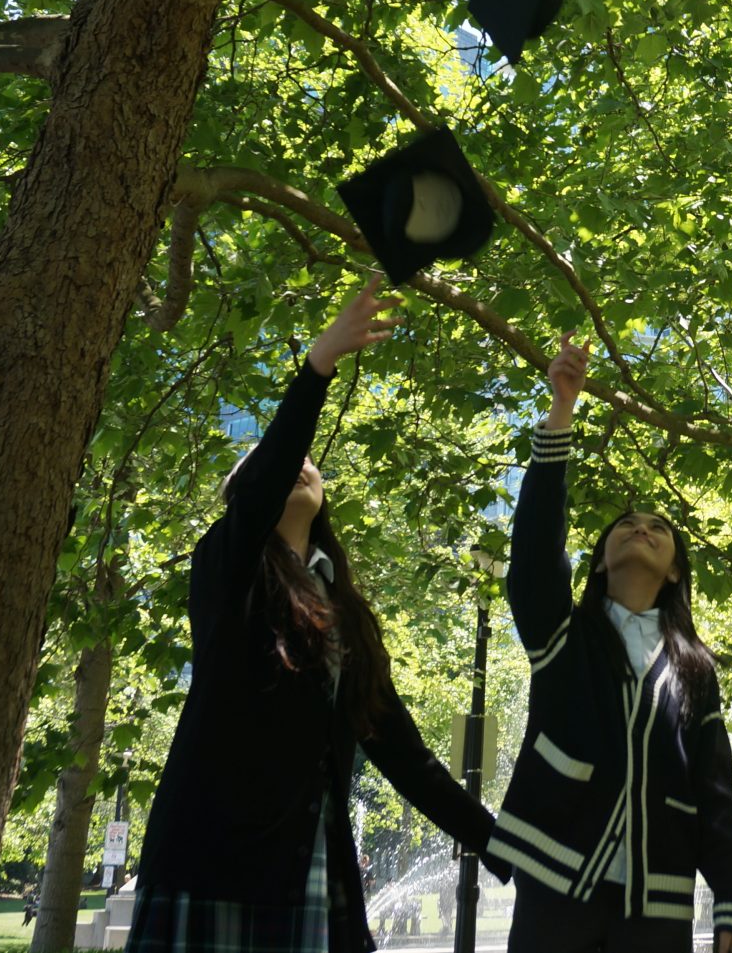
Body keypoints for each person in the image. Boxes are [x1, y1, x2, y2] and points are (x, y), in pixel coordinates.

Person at [127, 276, 506, 952]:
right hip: (213, 863)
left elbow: (406, 756)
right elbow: (262, 482)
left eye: (308, 460)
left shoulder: (345, 613)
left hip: (313, 869)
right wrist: (319, 363)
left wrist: (508, 848)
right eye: (272, 465)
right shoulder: (226, 568)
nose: (298, 465)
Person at [491, 336, 732, 953]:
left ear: (676, 572)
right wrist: (562, 412)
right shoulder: (564, 635)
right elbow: (532, 556)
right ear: (601, 564)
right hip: (555, 879)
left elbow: (716, 793)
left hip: (657, 897)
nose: (641, 527)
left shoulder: (697, 670)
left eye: (658, 528)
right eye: (626, 526)